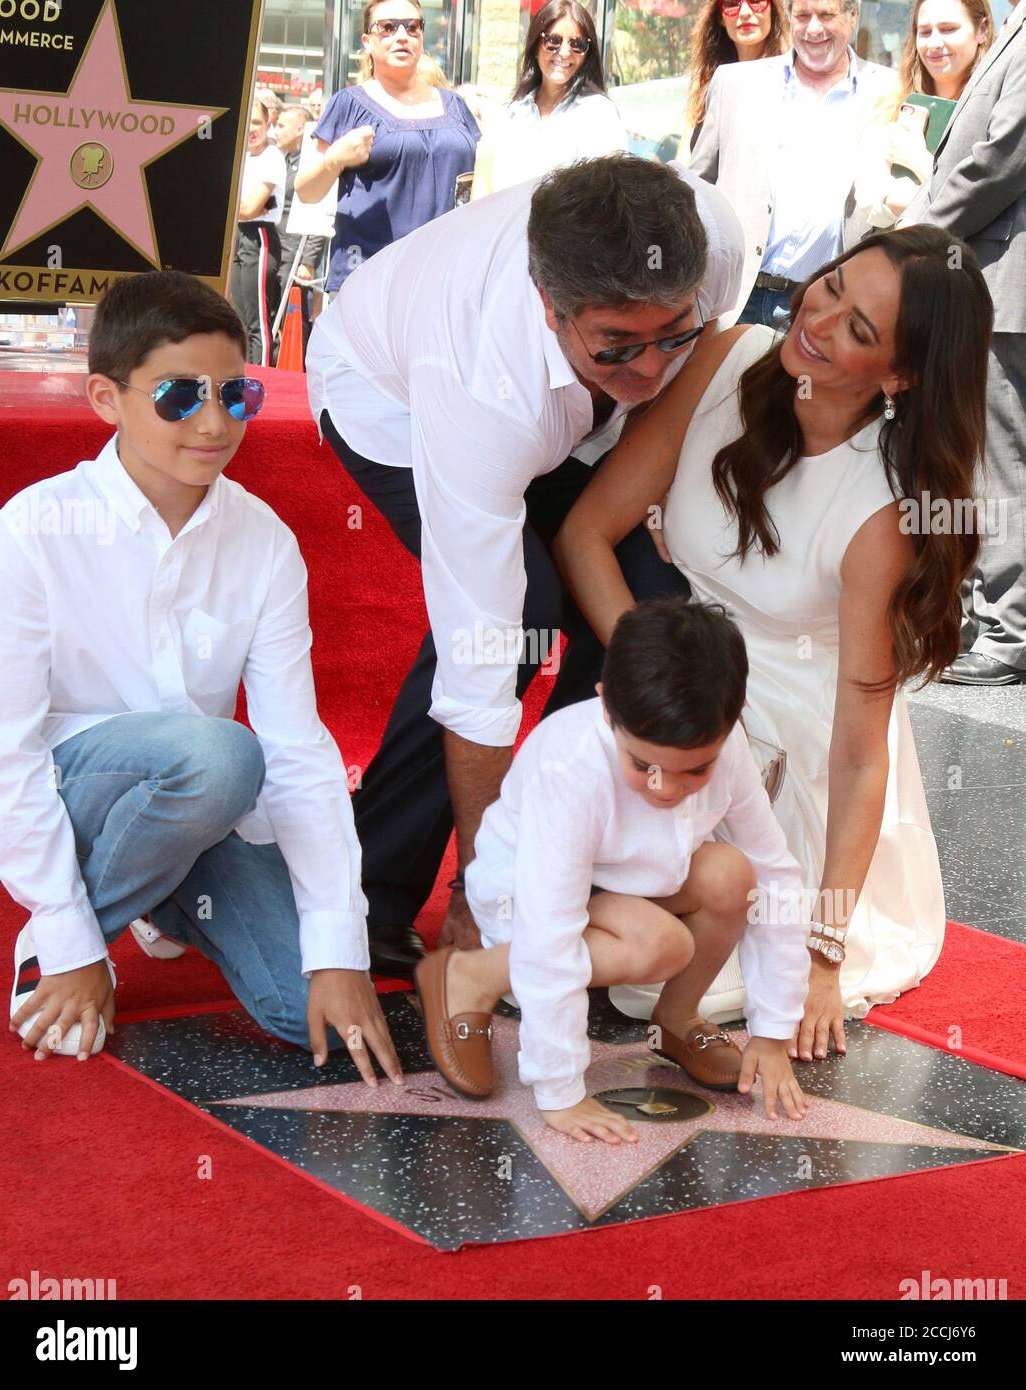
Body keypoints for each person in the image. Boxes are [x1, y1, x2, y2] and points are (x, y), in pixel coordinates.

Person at [553, 226, 992, 1053]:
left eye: (859, 329)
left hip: (796, 734)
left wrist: (823, 956)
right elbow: (585, 534)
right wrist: (656, 679)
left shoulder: (882, 513)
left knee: (651, 973)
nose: (818, 321)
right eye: (830, 287)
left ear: (899, 376)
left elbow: (862, 759)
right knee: (576, 890)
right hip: (685, 678)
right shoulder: (730, 357)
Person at [305, 154, 744, 977]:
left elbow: (690, 359)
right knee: (520, 623)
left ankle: (588, 856)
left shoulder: (713, 238)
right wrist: (487, 890)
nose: (650, 371)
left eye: (669, 334)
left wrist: (640, 481)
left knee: (648, 602)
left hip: (572, 414)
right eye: (618, 344)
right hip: (385, 391)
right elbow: (478, 668)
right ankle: (373, 891)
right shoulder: (480, 386)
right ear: (549, 308)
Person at [0, 270, 401, 1086]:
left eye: (235, 395)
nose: (214, 424)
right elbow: (4, 749)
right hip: (86, 789)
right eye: (179, 396)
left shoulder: (264, 539)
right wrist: (70, 940)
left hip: (202, 806)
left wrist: (340, 948)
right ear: (107, 398)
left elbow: (298, 747)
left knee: (302, 1008)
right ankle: (67, 944)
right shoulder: (33, 529)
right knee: (217, 756)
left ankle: (159, 883)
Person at [414, 599, 811, 1142]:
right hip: (527, 900)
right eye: (643, 765)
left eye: (695, 769)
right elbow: (550, 925)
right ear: (606, 706)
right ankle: (473, 973)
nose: (665, 788)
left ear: (734, 713)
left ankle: (677, 1020)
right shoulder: (570, 765)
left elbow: (776, 874)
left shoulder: (730, 743)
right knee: (662, 944)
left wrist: (772, 1030)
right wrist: (559, 1091)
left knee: (733, 874)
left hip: (631, 886)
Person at [902, 0, 1026, 685]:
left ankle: (1006, 632)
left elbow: (1001, 156)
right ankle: (991, 616)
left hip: (1008, 288)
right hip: (992, 283)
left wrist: (914, 231)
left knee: (1000, 461)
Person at [689, 0, 898, 328]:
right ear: (789, 18)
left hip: (820, 304)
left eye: (827, 15)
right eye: (803, 16)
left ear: (853, 16)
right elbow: (698, 189)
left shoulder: (886, 90)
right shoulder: (735, 84)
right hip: (733, 301)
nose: (814, 28)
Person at [294, 0, 480, 295]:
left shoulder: (455, 106)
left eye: (412, 26)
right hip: (370, 277)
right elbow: (306, 192)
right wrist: (334, 160)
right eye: (388, 28)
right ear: (368, 41)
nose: (402, 35)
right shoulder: (349, 103)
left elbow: (480, 184)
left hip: (444, 278)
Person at [855, 0, 992, 229]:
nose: (935, 43)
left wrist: (918, 160)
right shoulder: (891, 103)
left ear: (983, 31)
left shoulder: (997, 111)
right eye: (925, 31)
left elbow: (981, 205)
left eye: (949, 29)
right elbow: (867, 200)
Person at [470, 0, 627, 199]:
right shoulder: (507, 115)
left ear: (587, 54)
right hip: (502, 228)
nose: (564, 52)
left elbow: (609, 194)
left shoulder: (599, 114)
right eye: (553, 41)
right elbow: (482, 187)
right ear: (536, 45)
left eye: (577, 44)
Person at [683, 0, 789, 160]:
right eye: (732, 3)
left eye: (755, 1)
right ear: (720, 17)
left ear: (772, 10)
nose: (745, 12)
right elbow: (685, 163)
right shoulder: (705, 85)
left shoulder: (792, 80)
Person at [230, 100, 286, 366]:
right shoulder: (241, 155)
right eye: (247, 122)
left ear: (268, 124)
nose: (252, 129)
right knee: (239, 320)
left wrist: (243, 207)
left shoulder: (271, 156)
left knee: (258, 322)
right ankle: (242, 383)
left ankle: (263, 383)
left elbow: (250, 208)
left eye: (257, 122)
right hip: (239, 236)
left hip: (259, 238)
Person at [273, 104, 328, 301]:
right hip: (276, 249)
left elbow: (318, 210)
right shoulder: (282, 159)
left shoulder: (311, 166)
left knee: (293, 316)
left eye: (281, 126)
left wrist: (308, 260)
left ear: (300, 129)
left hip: (294, 253)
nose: (275, 131)